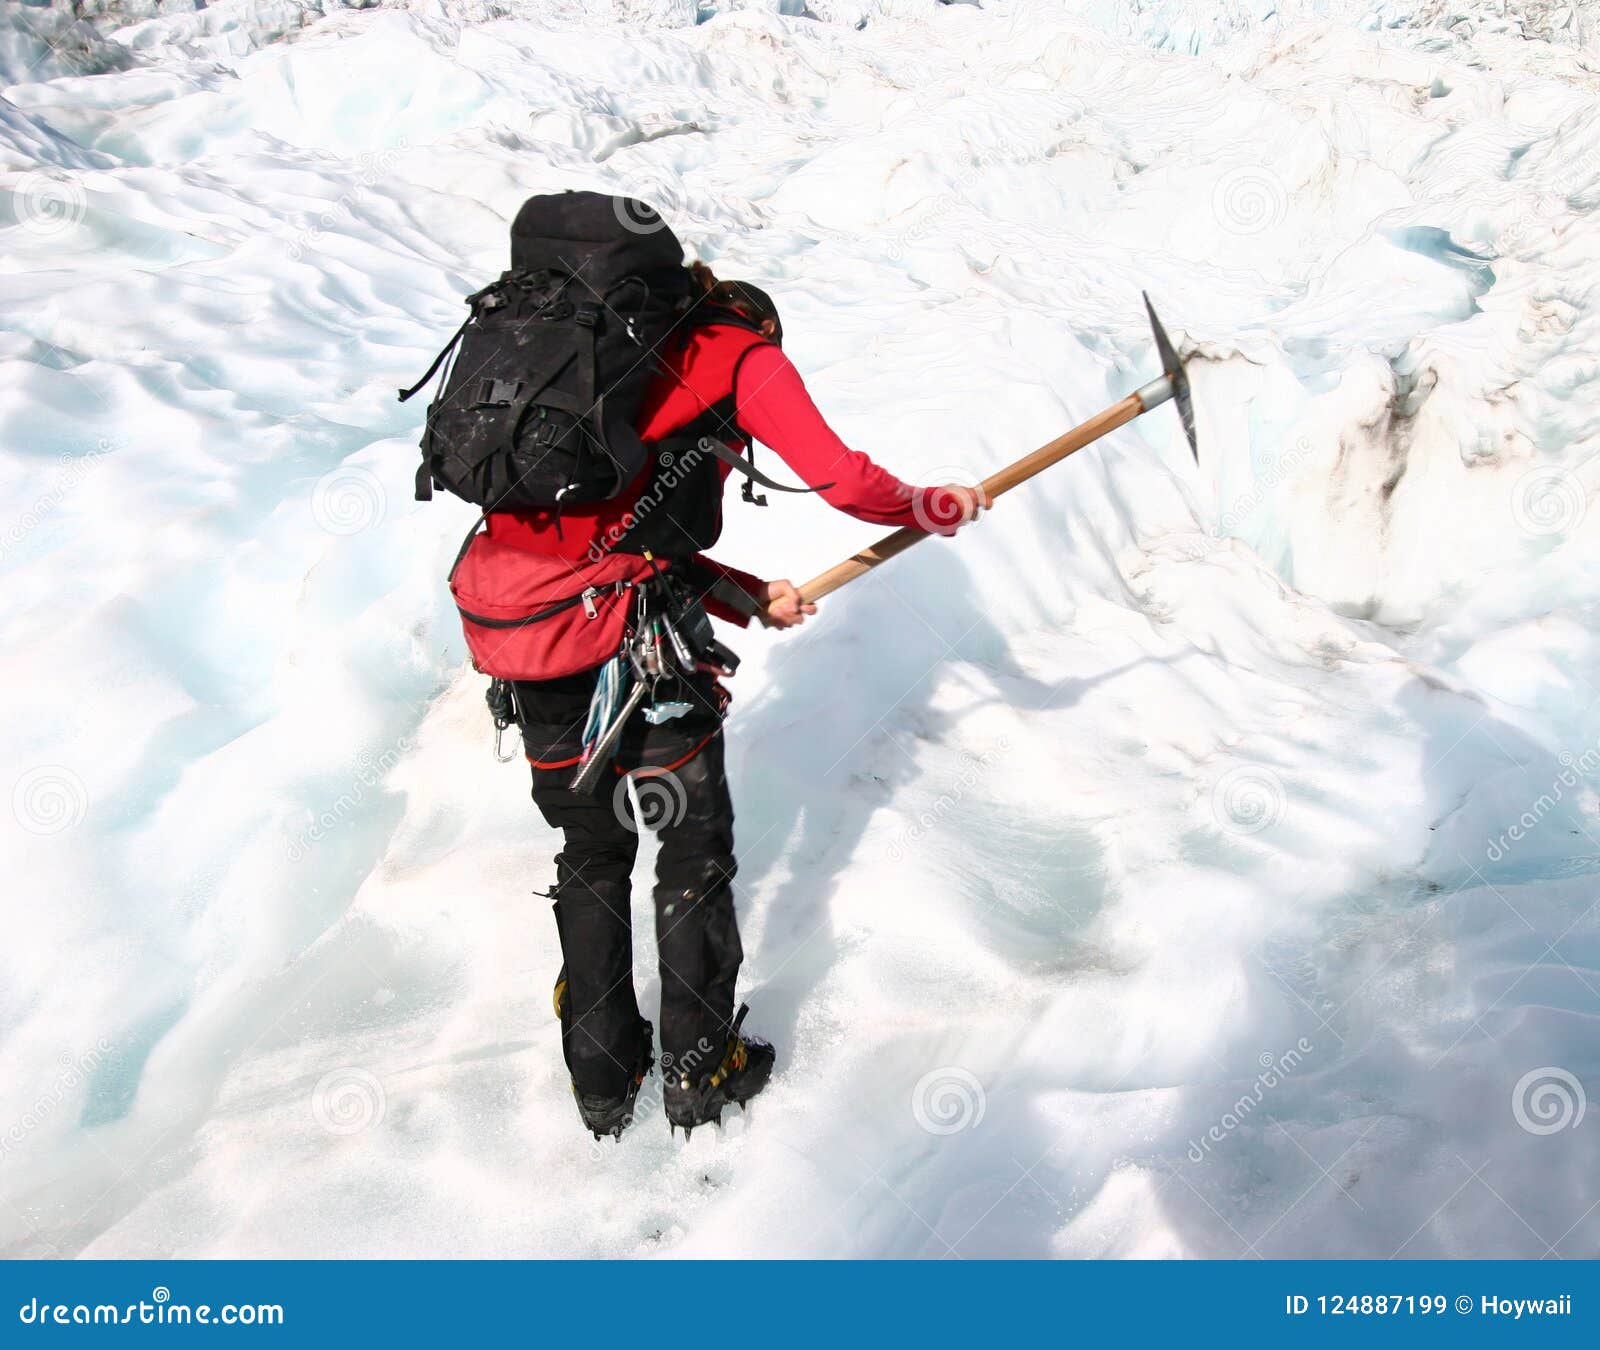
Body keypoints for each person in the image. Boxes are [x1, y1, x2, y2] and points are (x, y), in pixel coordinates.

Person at [454, 259, 986, 1140]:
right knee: (691, 848)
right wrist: (927, 505)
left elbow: (609, 536)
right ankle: (701, 1070)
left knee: (591, 844)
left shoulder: (600, 359)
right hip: (638, 650)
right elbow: (845, 481)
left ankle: (601, 1072)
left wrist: (742, 593)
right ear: (757, 325)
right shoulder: (740, 355)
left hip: (524, 636)